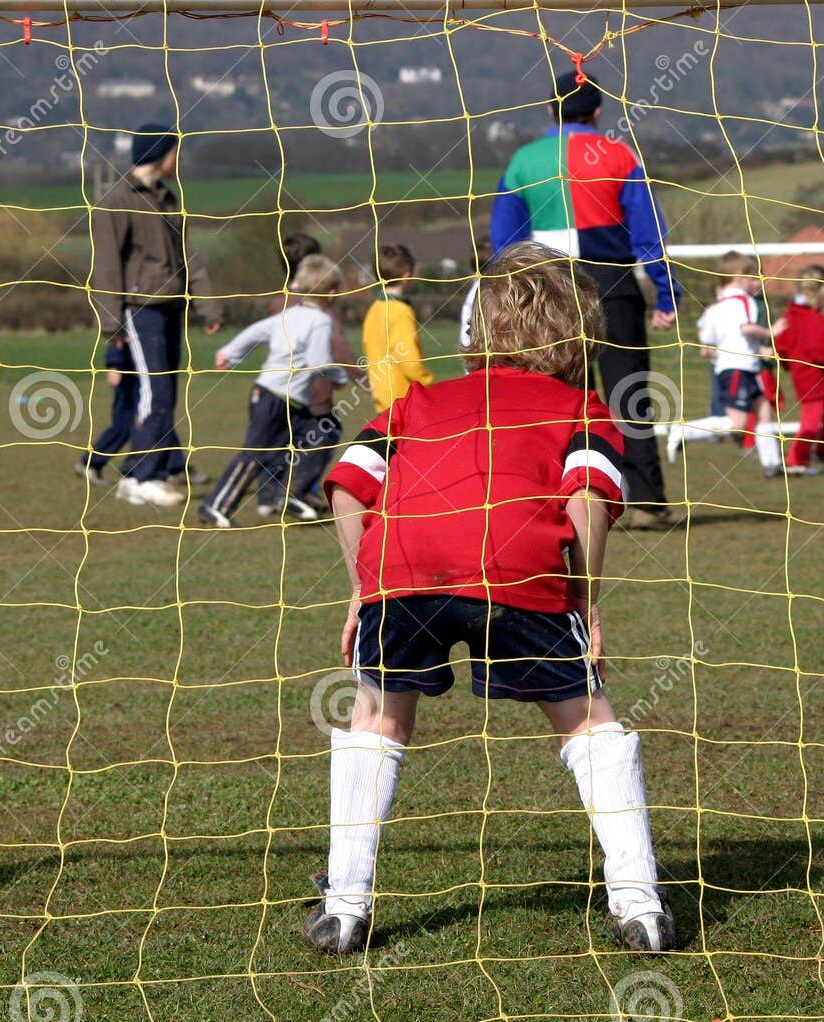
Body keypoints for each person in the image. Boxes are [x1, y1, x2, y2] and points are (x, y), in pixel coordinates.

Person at [306, 240, 673, 956]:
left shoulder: (419, 399)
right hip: (516, 570)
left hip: (404, 568)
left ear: (478, 331)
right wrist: (584, 599)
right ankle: (639, 902)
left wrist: (362, 585)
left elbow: (349, 483)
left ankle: (345, 905)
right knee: (586, 719)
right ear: (581, 333)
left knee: (377, 716)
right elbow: (589, 502)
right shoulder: (582, 405)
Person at [490, 72, 682, 532]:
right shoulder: (618, 154)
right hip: (612, 285)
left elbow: (505, 241)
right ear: (598, 112)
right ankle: (648, 503)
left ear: (551, 110)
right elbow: (648, 232)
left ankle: (555, 499)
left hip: (547, 291)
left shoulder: (522, 161)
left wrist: (511, 295)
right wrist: (666, 292)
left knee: (555, 397)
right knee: (628, 395)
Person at [90, 124, 223, 507]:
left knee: (168, 394)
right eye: (174, 151)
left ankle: (134, 474)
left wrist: (207, 305)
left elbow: (188, 256)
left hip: (172, 308)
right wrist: (111, 321)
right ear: (159, 153)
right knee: (155, 392)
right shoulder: (114, 202)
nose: (178, 159)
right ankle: (146, 477)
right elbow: (107, 267)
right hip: (139, 310)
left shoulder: (167, 198)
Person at [198, 254, 346, 527]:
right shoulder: (321, 321)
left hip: (286, 400)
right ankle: (216, 505)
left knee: (324, 432)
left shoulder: (289, 314)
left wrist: (229, 351)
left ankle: (291, 495)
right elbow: (318, 363)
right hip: (273, 397)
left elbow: (256, 331)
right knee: (257, 453)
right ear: (333, 293)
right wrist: (340, 375)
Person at [257, 234, 363, 514]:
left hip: (277, 386)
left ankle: (269, 497)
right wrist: (362, 377)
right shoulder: (321, 309)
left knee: (280, 439)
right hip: (314, 390)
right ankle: (298, 491)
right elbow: (339, 348)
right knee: (325, 433)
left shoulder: (278, 303)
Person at [668, 251, 783, 476]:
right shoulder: (746, 301)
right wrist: (771, 332)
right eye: (752, 278)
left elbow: (706, 345)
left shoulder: (713, 309)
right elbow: (746, 329)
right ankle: (684, 430)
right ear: (739, 278)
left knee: (764, 409)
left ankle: (772, 464)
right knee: (736, 424)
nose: (756, 283)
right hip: (738, 369)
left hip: (738, 368)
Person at [77, 338, 198, 488]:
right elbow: (119, 331)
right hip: (129, 376)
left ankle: (175, 467)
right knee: (124, 425)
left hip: (147, 375)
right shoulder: (135, 316)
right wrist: (115, 364)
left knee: (158, 419)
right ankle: (91, 463)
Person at [773, 265, 824, 476]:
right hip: (812, 376)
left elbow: (781, 344)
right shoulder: (812, 318)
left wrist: (789, 363)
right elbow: (821, 349)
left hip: (804, 374)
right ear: (815, 292)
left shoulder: (791, 315)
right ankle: (796, 461)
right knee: (811, 419)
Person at [363, 242, 435, 413]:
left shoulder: (374, 309)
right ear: (406, 276)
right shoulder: (401, 311)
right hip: (403, 400)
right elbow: (408, 358)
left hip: (382, 397)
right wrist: (427, 382)